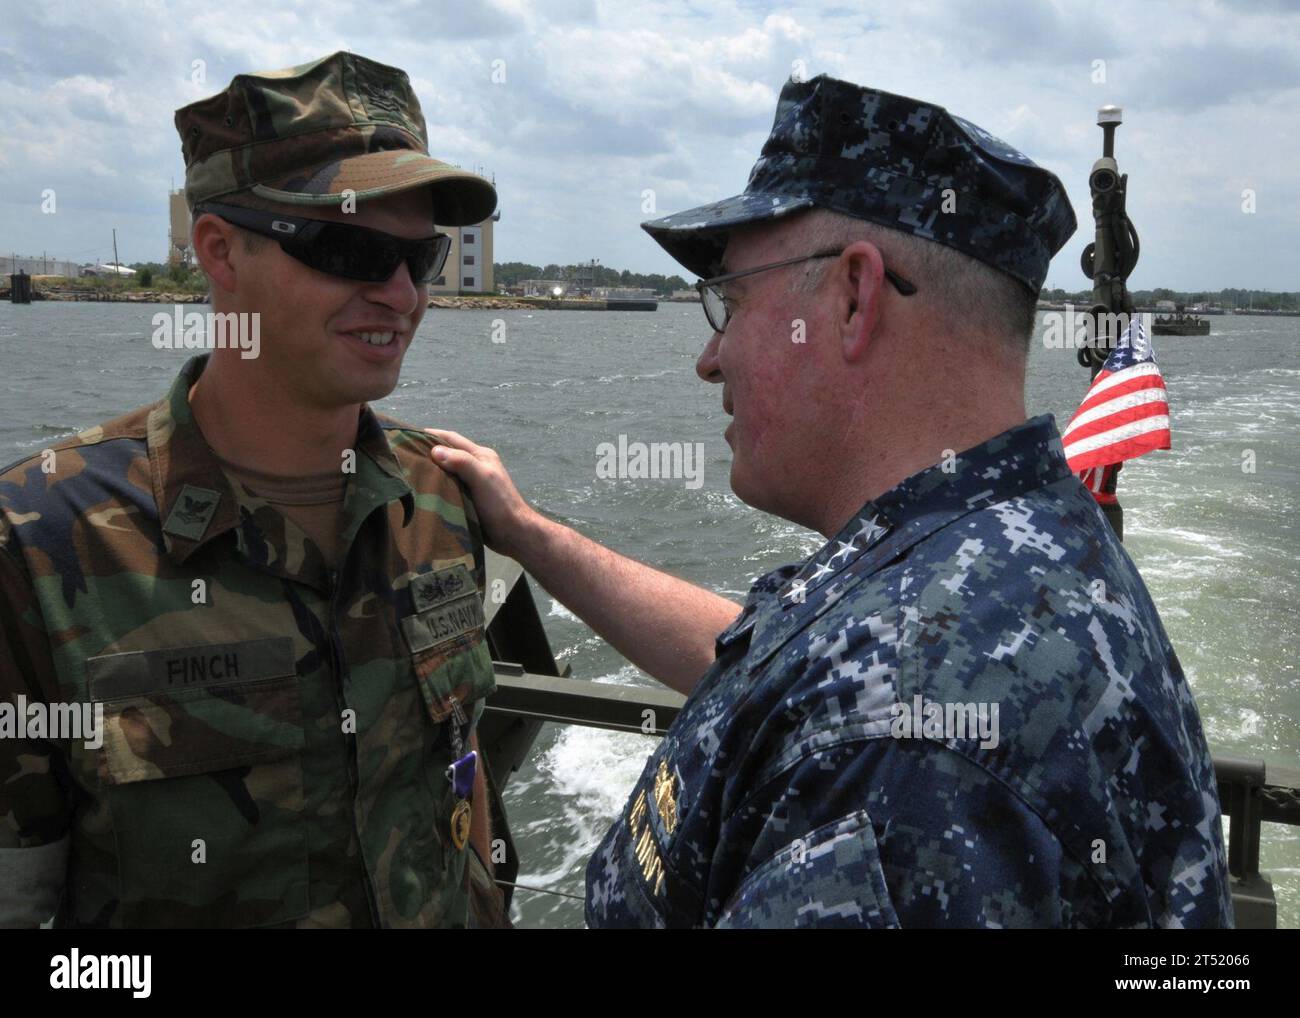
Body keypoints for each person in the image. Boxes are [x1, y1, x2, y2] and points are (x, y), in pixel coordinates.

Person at [428, 75, 1234, 928]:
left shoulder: (901, 753)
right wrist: (528, 534)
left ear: (853, 296)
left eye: (730, 302)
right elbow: (777, 662)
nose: (710, 357)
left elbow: (856, 705)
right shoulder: (1006, 539)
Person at [0, 51, 508, 928]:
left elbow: (460, 782)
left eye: (420, 258)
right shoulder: (41, 540)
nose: (399, 294)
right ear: (219, 252)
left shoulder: (440, 497)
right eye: (349, 247)